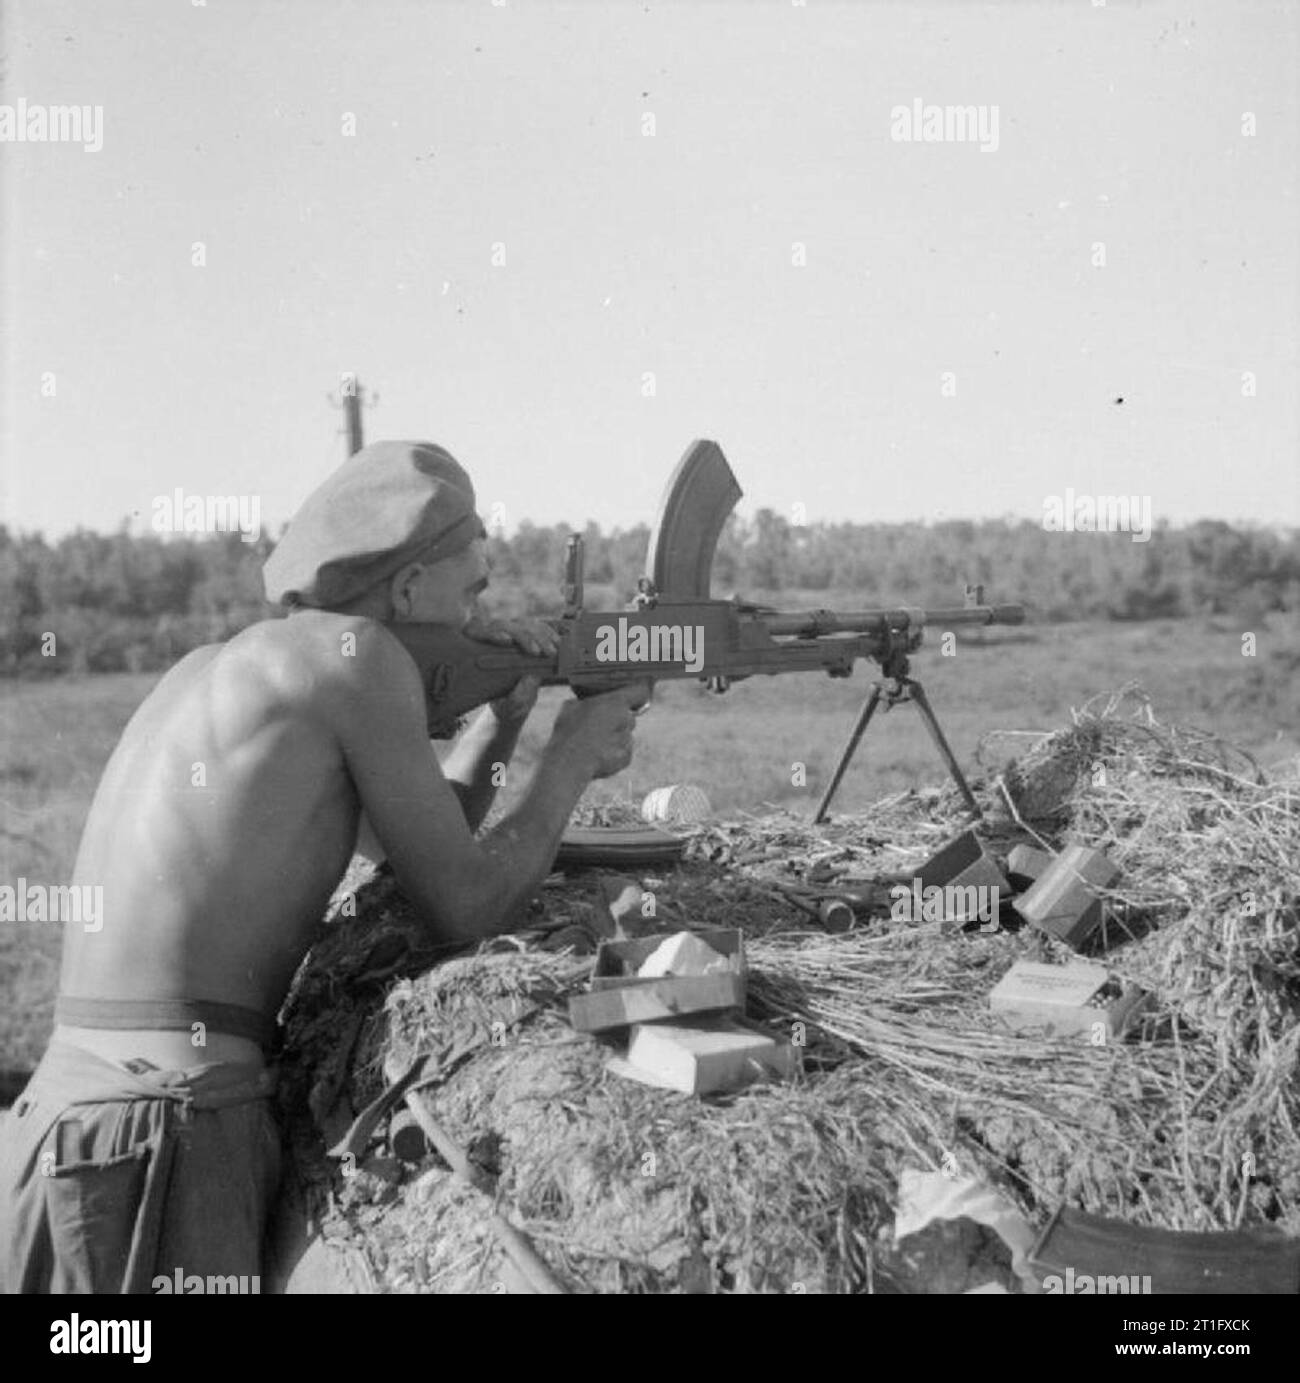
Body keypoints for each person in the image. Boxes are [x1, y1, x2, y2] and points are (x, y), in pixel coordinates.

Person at [0, 440, 645, 1293]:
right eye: (474, 584)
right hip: (157, 1137)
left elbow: (425, 847)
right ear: (410, 587)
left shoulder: (232, 668)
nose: (483, 609)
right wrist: (571, 755)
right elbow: (466, 902)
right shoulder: (360, 657)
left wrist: (505, 722)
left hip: (70, 1123)